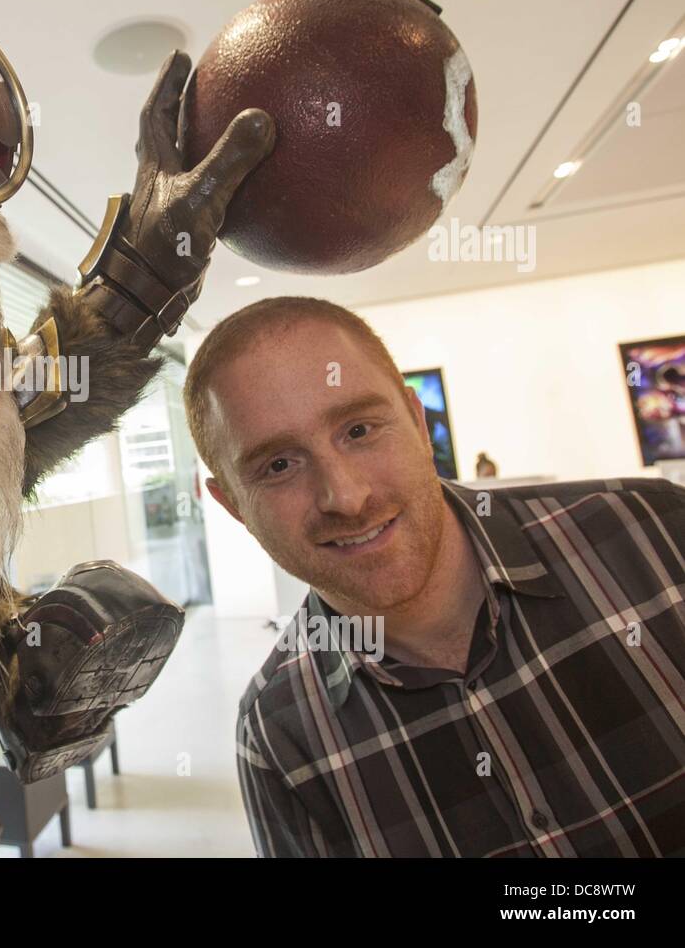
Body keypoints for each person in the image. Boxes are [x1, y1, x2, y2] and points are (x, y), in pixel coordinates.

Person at [183, 296, 685, 857]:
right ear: (234, 508)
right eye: (278, 466)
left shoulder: (657, 532)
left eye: (359, 430)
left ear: (418, 422)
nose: (346, 497)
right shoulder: (279, 738)